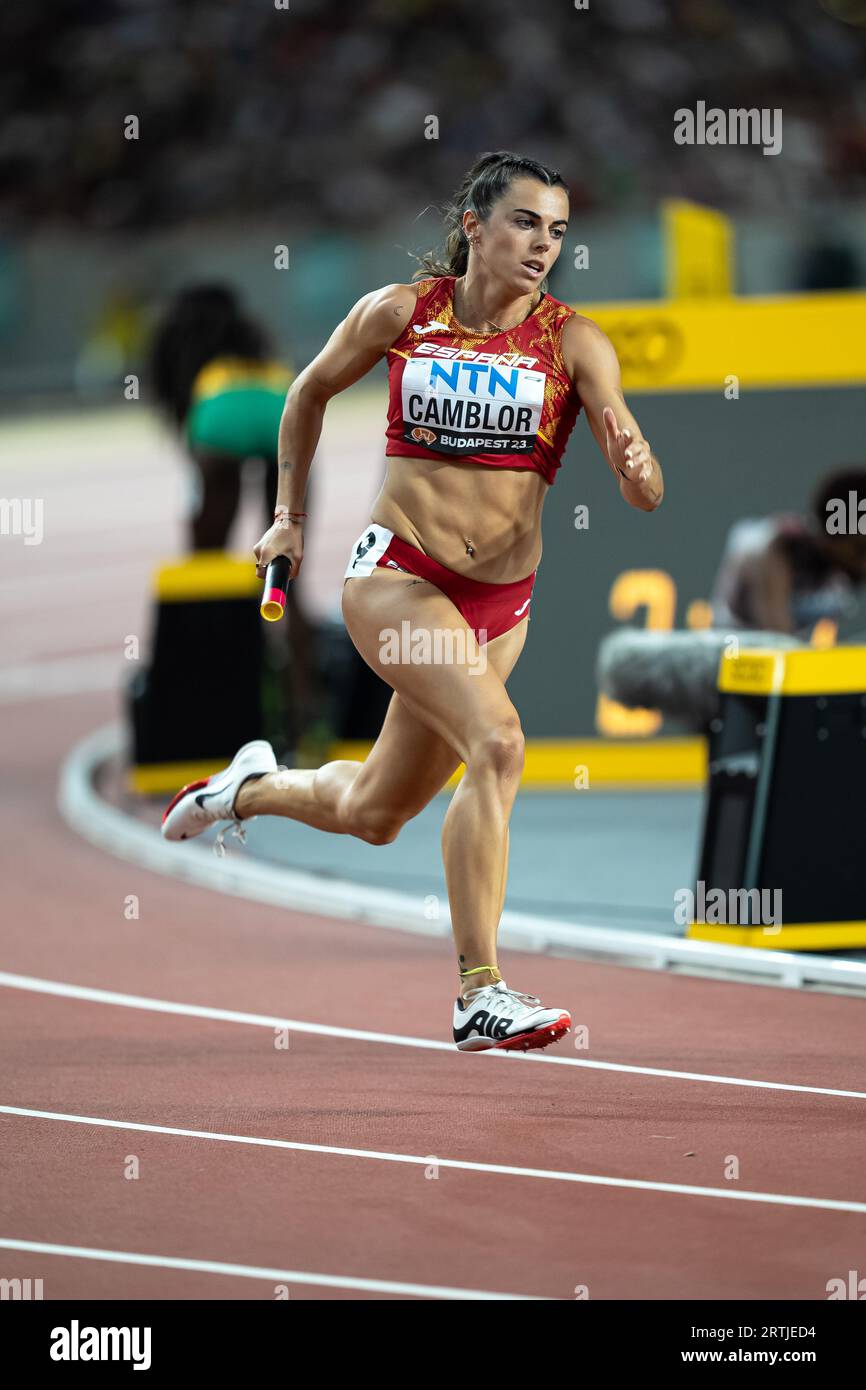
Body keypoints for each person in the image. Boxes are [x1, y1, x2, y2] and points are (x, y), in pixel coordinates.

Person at [161, 151, 663, 1052]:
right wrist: (285, 519)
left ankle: (246, 788)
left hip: (500, 604)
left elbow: (644, 489)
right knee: (499, 741)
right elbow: (307, 392)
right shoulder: (404, 312)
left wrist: (637, 467)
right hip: (399, 576)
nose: (542, 245)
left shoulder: (574, 342)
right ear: (474, 225)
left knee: (376, 816)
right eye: (523, 223)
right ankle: (480, 992)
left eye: (557, 230)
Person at [150, 284, 320, 750]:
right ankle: (304, 716)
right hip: (282, 412)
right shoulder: (260, 352)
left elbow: (194, 460)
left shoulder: (198, 367)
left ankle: (210, 704)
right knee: (287, 577)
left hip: (220, 423)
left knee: (206, 570)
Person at [711, 468, 866, 637]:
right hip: (735, 653)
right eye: (860, 550)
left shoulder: (843, 563)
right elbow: (780, 643)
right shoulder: (778, 550)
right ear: (828, 537)